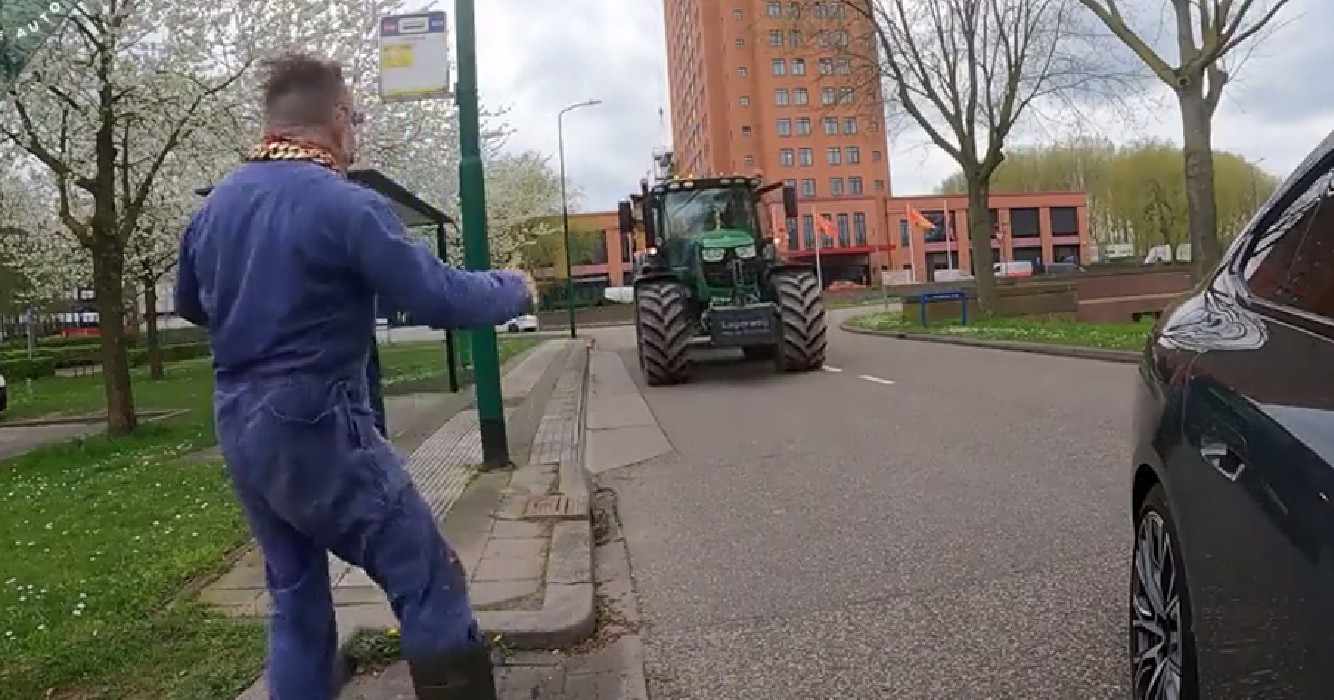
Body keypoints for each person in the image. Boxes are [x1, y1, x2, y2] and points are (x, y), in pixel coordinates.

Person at [173, 52, 529, 699]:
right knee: (428, 578)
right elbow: (438, 298)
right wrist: (514, 287)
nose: (356, 129)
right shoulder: (346, 206)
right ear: (336, 118)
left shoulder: (214, 208)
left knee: (296, 598)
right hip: (317, 422)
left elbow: (191, 304)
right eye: (356, 117)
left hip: (241, 428)